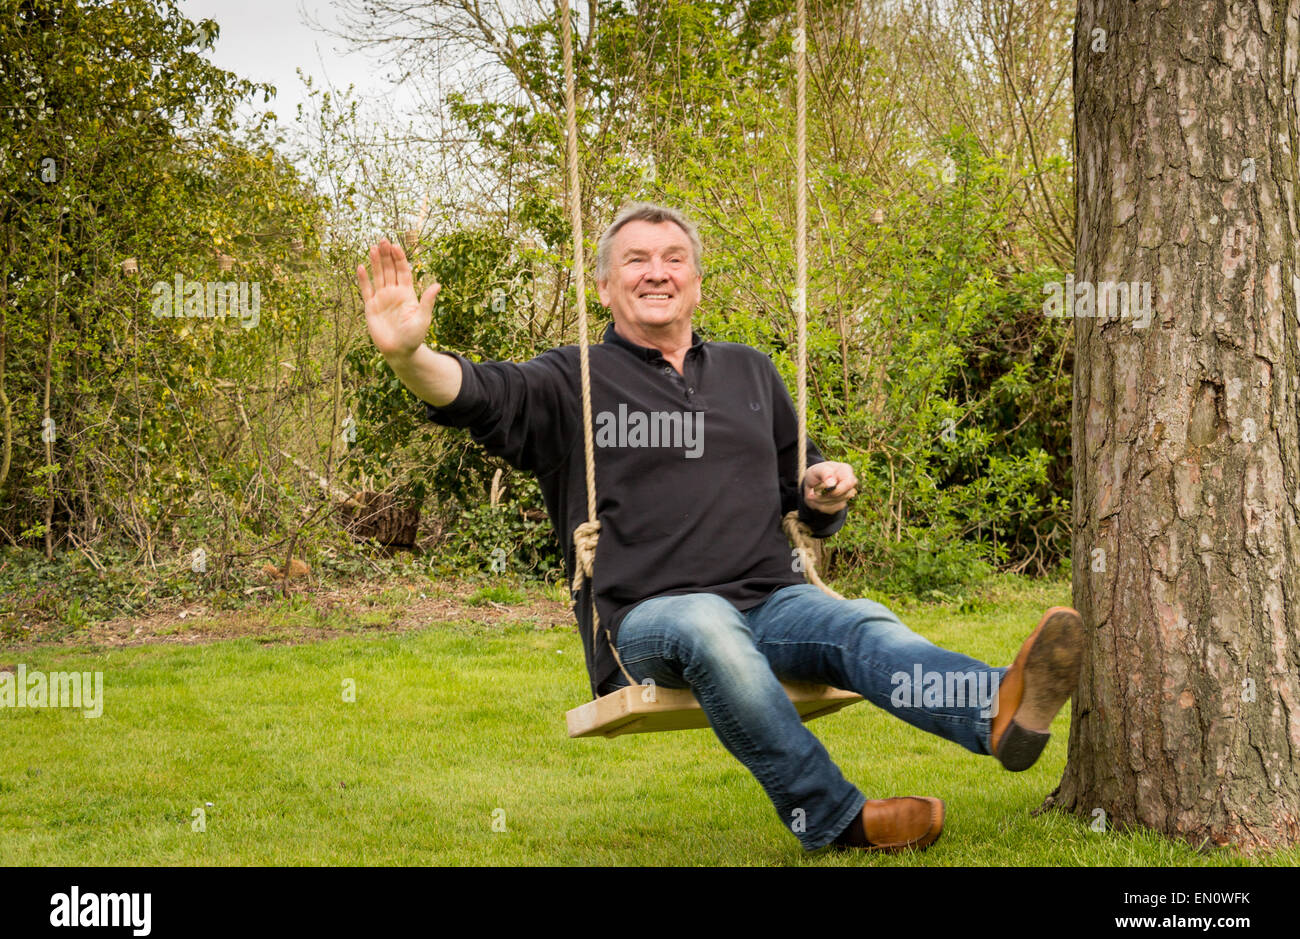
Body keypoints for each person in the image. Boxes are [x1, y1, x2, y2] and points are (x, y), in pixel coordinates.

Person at [356, 201, 1085, 853]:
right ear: (605, 287)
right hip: (649, 620)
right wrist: (411, 355)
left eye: (674, 260)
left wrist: (824, 491)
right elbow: (476, 393)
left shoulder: (750, 372)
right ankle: (833, 818)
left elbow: (799, 497)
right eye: (635, 260)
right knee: (708, 624)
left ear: (697, 284)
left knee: (862, 622)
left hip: (773, 599)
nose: (656, 273)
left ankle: (993, 709)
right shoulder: (568, 382)